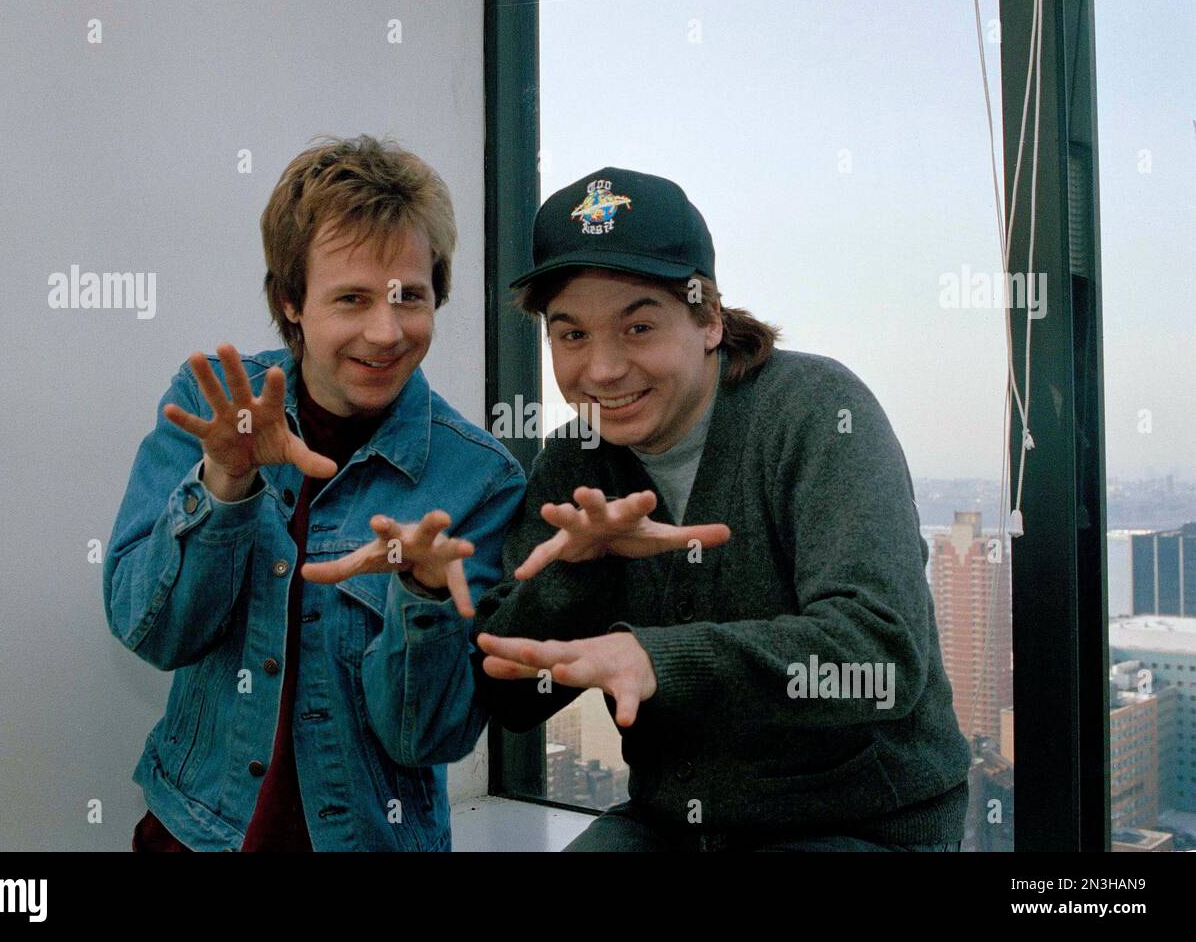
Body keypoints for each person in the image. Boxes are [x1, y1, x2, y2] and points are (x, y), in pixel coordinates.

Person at [330, 166, 971, 851]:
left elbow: (881, 657)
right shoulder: (576, 458)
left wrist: (656, 659)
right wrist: (578, 572)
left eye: (638, 327)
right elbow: (514, 701)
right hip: (673, 821)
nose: (602, 370)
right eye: (572, 335)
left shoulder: (817, 413)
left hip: (862, 824)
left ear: (709, 320)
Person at [103, 134, 525, 852]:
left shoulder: (479, 477)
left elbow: (427, 736)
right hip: (196, 833)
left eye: (410, 298)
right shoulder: (211, 403)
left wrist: (423, 598)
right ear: (291, 301)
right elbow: (152, 632)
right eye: (352, 298)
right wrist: (226, 485)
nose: (386, 332)